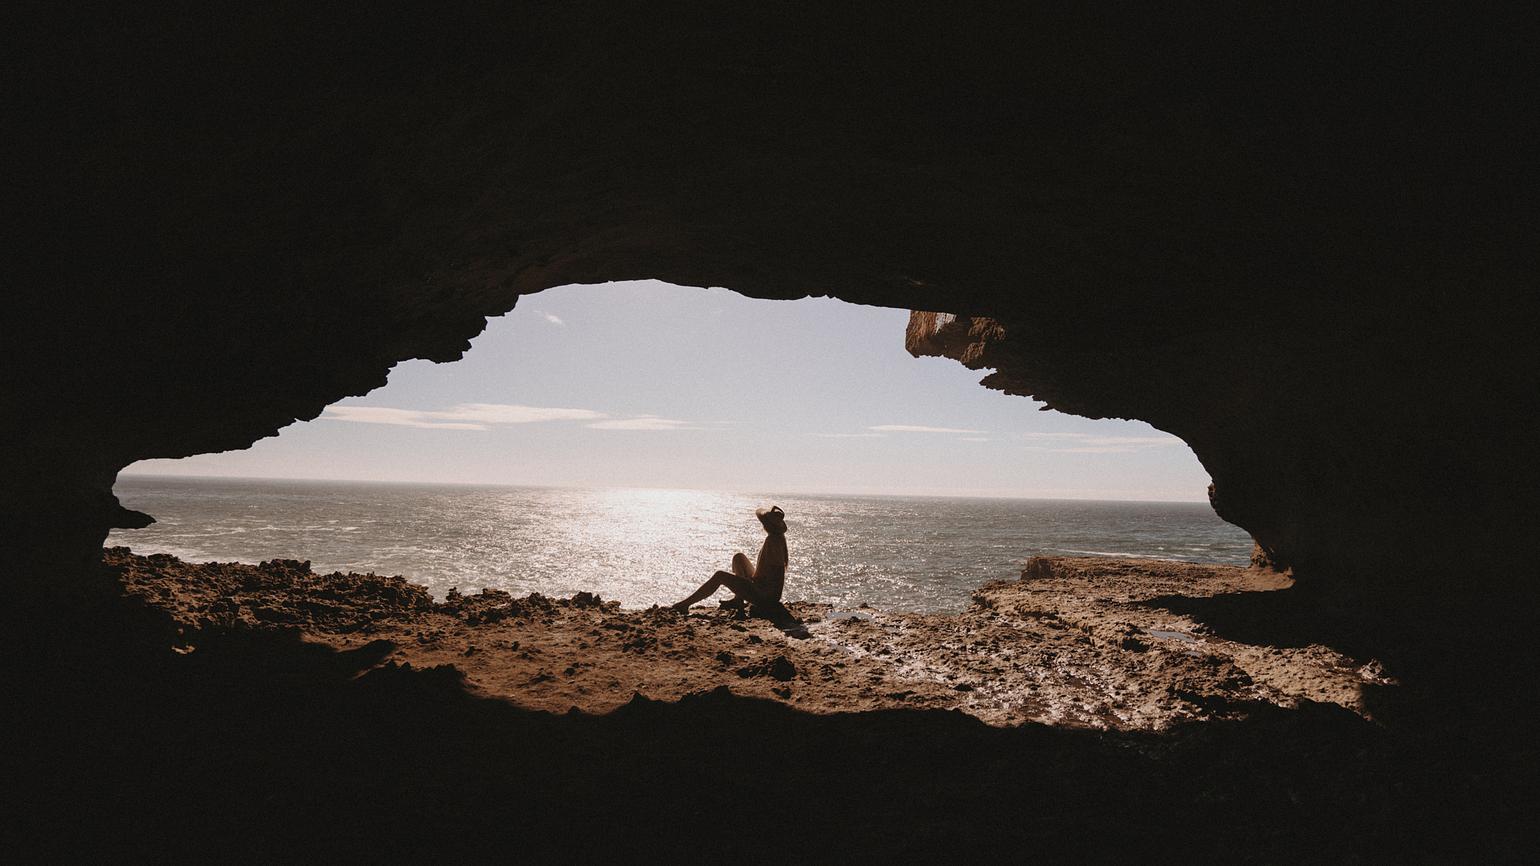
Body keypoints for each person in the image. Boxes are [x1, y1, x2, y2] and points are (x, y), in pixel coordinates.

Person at [670, 505, 787, 612]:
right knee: (738, 557)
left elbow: (776, 576)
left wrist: (760, 592)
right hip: (761, 587)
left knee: (720, 576)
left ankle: (685, 604)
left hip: (764, 596)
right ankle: (738, 600)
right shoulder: (774, 538)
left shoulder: (773, 542)